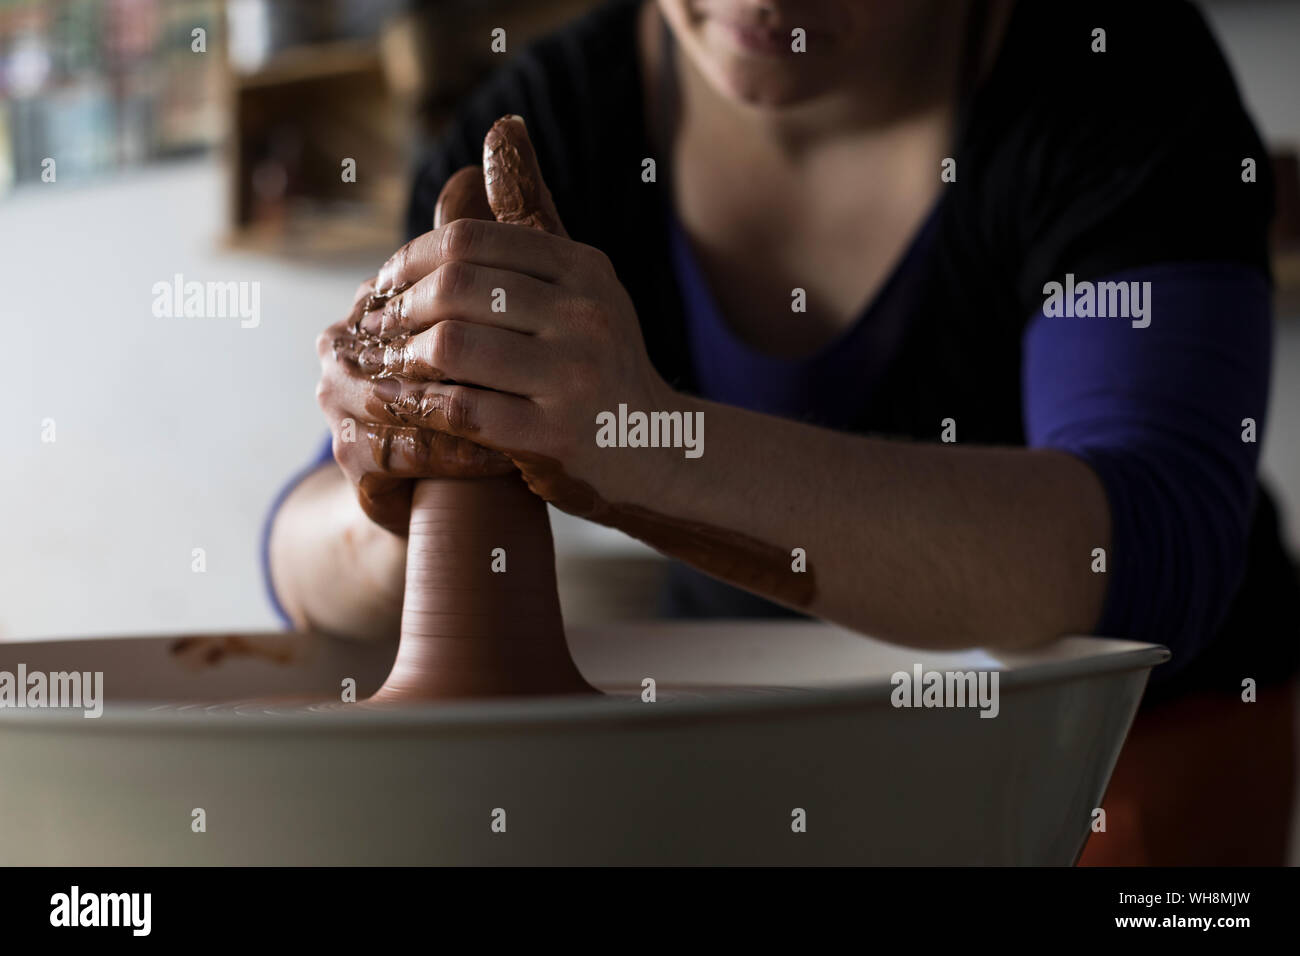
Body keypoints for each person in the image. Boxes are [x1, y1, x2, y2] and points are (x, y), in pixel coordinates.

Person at [265, 0, 1300, 864]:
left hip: (1112, 758)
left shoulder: (1112, 74)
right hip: (744, 749)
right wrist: (402, 462)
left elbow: (1155, 540)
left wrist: (646, 446)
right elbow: (304, 563)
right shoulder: (546, 124)